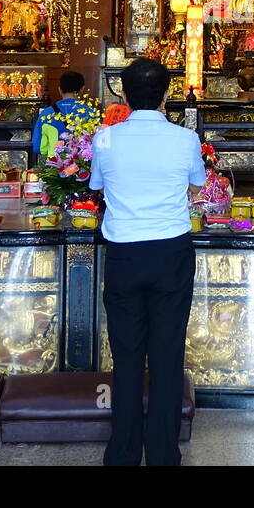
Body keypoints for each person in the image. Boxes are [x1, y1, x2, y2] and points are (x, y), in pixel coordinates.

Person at [90, 57, 206, 466]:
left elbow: (97, 186)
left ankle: (121, 453)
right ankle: (162, 453)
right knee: (167, 354)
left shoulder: (105, 139)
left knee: (125, 356)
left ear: (122, 93)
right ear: (167, 93)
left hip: (124, 254)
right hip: (171, 253)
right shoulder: (185, 139)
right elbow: (197, 183)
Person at [31, 70, 97, 156]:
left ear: (60, 89)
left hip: (54, 166)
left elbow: (38, 147)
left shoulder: (46, 114)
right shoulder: (90, 112)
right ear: (81, 89)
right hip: (82, 165)